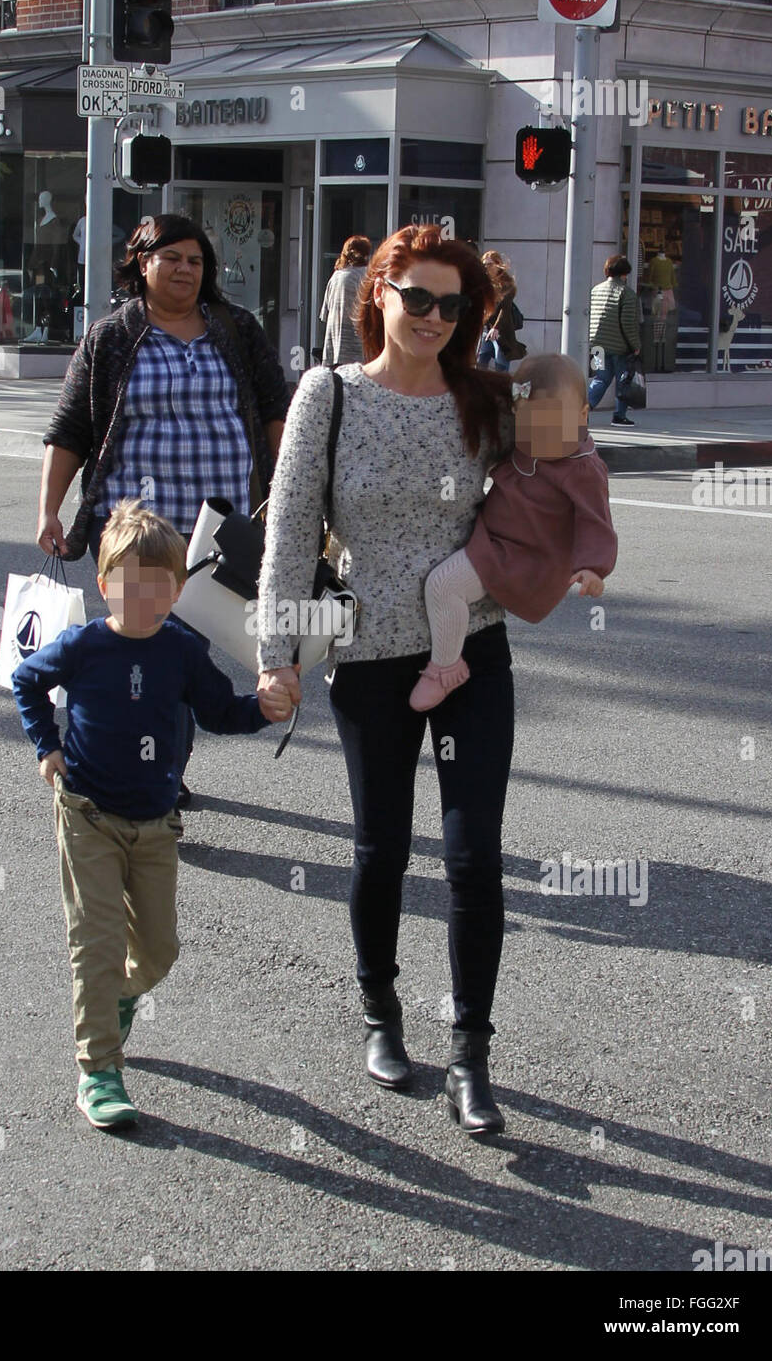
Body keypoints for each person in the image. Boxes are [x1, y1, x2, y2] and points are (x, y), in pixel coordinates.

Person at [257, 223, 516, 1135]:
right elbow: (289, 536)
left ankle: (471, 1055)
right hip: (367, 656)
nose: (434, 317)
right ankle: (380, 1013)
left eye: (453, 304)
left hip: (470, 653)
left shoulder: (486, 400)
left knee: (474, 854)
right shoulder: (328, 396)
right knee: (382, 849)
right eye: (417, 298)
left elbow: (550, 489)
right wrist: (275, 656)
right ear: (379, 296)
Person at [11, 502, 291, 1129]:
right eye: (128, 585)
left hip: (157, 823)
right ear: (104, 584)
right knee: (96, 944)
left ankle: (122, 1000)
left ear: (180, 588)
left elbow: (219, 711)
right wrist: (46, 746)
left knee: (159, 951)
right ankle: (99, 1070)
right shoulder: (83, 646)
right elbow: (27, 680)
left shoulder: (180, 651)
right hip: (87, 814)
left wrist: (264, 708)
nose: (143, 598)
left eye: (158, 586)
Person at [35, 213, 290, 808]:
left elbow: (279, 412)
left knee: (183, 658)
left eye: (195, 261)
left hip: (221, 535)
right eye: (171, 257)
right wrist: (48, 508)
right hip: (138, 532)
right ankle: (151, 779)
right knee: (150, 653)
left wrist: (290, 491)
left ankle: (161, 771)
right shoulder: (113, 335)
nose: (185, 269)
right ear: (141, 264)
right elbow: (70, 426)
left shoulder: (236, 328)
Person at [410, 353, 617, 710]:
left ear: (583, 416)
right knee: (440, 582)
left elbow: (595, 519)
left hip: (523, 557)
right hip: (490, 535)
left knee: (443, 586)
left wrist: (593, 567)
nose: (542, 437)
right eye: (531, 425)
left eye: (555, 424)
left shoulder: (583, 468)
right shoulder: (526, 442)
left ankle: (445, 668)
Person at [588, 254, 642, 426]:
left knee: (600, 379)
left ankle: (582, 411)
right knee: (623, 380)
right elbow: (628, 323)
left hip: (597, 346)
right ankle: (619, 416)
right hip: (619, 347)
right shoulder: (627, 293)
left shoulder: (595, 290)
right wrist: (635, 345)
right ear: (624, 274)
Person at [319, 235, 372, 366]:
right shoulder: (367, 277)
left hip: (333, 350)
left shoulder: (335, 277)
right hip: (359, 352)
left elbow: (324, 315)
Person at [477, 251, 525, 373]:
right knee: (481, 361)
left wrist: (497, 328)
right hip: (486, 329)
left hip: (501, 331)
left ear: (498, 265)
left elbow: (505, 308)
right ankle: (479, 389)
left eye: (489, 264)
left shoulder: (508, 285)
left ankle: (502, 388)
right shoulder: (485, 284)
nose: (486, 268)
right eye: (484, 265)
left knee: (501, 363)